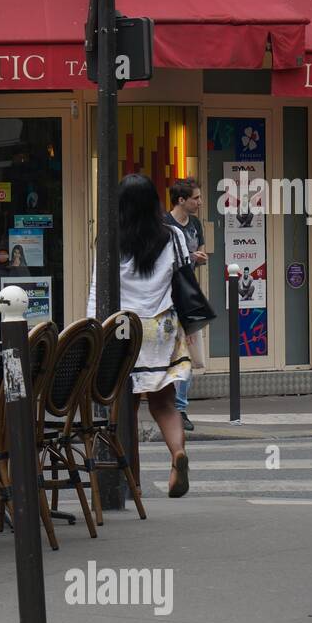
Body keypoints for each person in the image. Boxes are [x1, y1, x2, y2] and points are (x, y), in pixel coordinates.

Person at [88, 173, 193, 497]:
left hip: (124, 330)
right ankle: (177, 454)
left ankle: (131, 479)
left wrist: (93, 330)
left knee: (127, 407)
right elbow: (183, 279)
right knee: (164, 402)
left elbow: (98, 289)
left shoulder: (109, 239)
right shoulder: (173, 236)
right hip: (160, 326)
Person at [166, 178, 207, 431]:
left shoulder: (195, 225)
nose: (200, 202)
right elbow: (162, 261)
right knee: (171, 354)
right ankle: (171, 405)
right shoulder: (164, 225)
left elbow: (198, 256)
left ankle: (180, 408)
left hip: (189, 293)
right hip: (168, 296)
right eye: (196, 198)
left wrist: (198, 258)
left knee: (188, 354)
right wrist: (190, 257)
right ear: (182, 200)